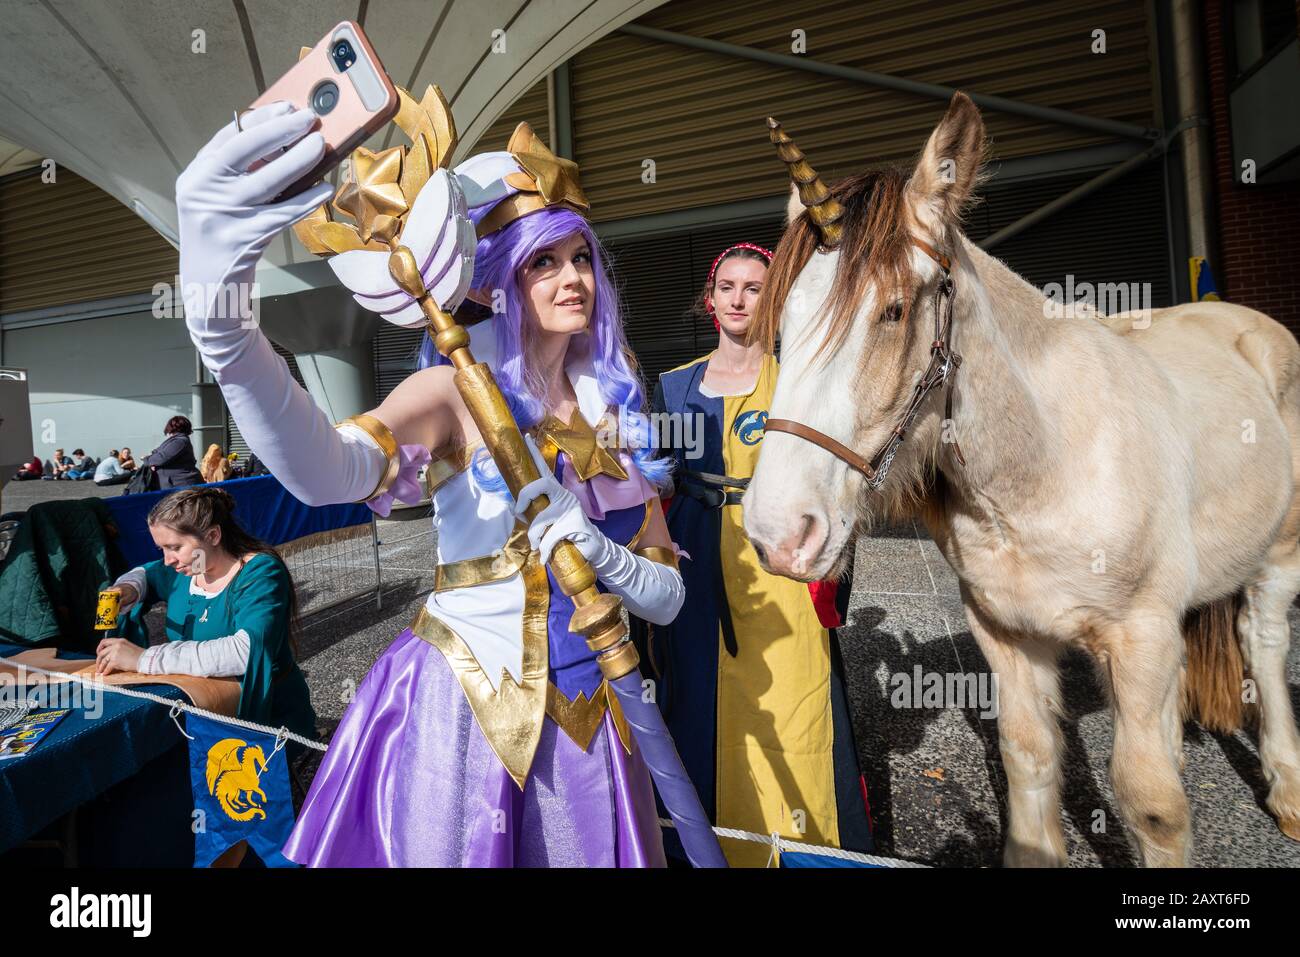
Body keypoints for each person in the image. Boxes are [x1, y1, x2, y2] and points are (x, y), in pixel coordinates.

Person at [175, 102, 686, 867]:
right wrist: (226, 333)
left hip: (596, 712)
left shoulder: (613, 400)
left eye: (580, 257)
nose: (572, 276)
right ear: (501, 277)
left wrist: (600, 556)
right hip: (467, 709)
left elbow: (668, 597)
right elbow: (327, 471)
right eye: (542, 260)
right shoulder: (453, 390)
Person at [639, 242, 872, 866]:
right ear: (709, 300)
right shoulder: (674, 385)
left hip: (780, 560)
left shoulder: (800, 376)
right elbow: (654, 479)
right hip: (694, 555)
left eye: (755, 288)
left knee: (792, 700)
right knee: (693, 695)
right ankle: (700, 845)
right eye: (729, 287)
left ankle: (803, 846)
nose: (741, 299)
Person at [96, 486, 317, 747]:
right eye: (161, 549)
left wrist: (145, 659)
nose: (167, 560)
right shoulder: (187, 569)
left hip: (263, 716)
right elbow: (145, 573)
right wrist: (129, 589)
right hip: (199, 706)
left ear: (212, 535)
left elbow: (246, 652)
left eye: (174, 547)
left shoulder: (259, 572)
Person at [142, 416, 203, 488]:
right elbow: (157, 454)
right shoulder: (178, 440)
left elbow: (161, 458)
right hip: (179, 484)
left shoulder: (180, 441)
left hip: (181, 484)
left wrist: (147, 459)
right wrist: (152, 462)